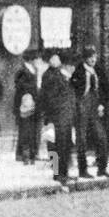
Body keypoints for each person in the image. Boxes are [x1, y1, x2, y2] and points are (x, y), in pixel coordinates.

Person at [70, 46, 109, 179]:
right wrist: (77, 104)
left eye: (94, 57)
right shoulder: (78, 70)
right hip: (82, 107)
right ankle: (82, 170)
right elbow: (73, 88)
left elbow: (106, 89)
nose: (93, 59)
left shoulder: (99, 70)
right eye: (90, 57)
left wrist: (102, 103)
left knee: (102, 137)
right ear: (85, 59)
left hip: (95, 107)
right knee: (81, 140)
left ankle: (102, 168)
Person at [39, 50, 76, 185]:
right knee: (56, 145)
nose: (56, 60)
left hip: (63, 116)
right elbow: (49, 98)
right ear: (49, 61)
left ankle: (63, 173)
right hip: (55, 116)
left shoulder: (59, 74)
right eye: (53, 58)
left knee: (64, 145)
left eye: (57, 58)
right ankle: (57, 174)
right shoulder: (49, 75)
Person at [12, 48, 42, 165]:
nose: (39, 61)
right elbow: (21, 87)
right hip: (24, 105)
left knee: (33, 129)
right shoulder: (22, 71)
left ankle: (31, 154)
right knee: (25, 130)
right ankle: (25, 155)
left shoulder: (34, 71)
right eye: (37, 59)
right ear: (32, 59)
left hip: (34, 104)